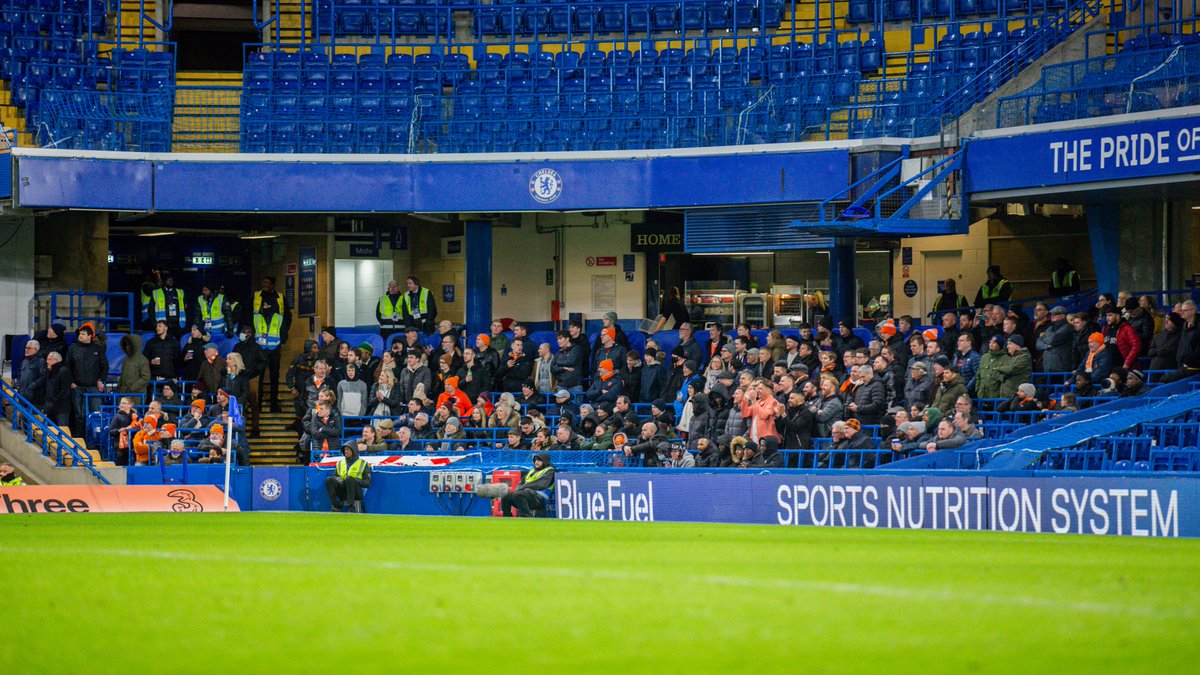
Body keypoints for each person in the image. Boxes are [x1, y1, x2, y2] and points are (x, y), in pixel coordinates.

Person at [66, 323, 108, 436]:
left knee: (96, 414)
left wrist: (100, 380)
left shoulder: (98, 349)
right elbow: (67, 367)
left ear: (90, 336)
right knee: (79, 415)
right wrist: (71, 382)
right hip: (78, 387)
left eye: (83, 334)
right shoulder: (73, 349)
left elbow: (104, 366)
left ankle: (96, 439)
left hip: (94, 387)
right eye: (80, 334)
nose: (80, 336)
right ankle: (80, 439)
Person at [498, 452, 556, 517]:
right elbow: (521, 482)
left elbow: (542, 485)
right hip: (527, 494)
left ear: (545, 461)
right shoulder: (532, 470)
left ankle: (526, 516)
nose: (536, 462)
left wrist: (524, 487)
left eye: (539, 460)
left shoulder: (550, 471)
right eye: (535, 460)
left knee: (519, 495)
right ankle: (507, 517)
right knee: (506, 496)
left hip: (540, 498)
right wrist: (519, 489)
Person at [253, 296, 285, 413]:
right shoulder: (256, 317)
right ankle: (258, 405)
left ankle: (274, 405)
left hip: (274, 352)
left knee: (274, 379)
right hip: (260, 352)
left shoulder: (279, 318)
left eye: (267, 305)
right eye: (264, 305)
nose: (265, 307)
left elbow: (284, 334)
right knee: (259, 380)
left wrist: (279, 346)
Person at [327, 442, 373, 513]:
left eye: (348, 449)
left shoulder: (363, 463)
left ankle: (351, 506)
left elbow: (367, 483)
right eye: (344, 450)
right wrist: (339, 479)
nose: (345, 451)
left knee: (349, 479)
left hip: (357, 492)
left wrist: (354, 480)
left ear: (354, 450)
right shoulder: (339, 463)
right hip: (343, 490)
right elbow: (334, 476)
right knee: (329, 480)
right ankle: (335, 505)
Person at [1037, 305, 1075, 373]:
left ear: (1063, 316)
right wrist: (1047, 346)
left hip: (1061, 367)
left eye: (1056, 314)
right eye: (1051, 314)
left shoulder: (1067, 327)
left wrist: (1043, 336)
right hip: (1048, 366)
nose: (1052, 316)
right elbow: (1038, 343)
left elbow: (1053, 341)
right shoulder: (1050, 328)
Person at [996, 335, 1032, 399]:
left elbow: (1012, 369)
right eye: (1007, 344)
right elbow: (1000, 375)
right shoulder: (1011, 358)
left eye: (1010, 344)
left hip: (1016, 395)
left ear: (1017, 345)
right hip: (1005, 394)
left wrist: (998, 368)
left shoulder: (1025, 357)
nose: (1007, 346)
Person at [42, 351, 72, 426]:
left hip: (61, 409)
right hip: (50, 408)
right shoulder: (49, 371)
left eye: (50, 359)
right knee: (50, 430)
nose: (47, 361)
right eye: (47, 359)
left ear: (57, 360)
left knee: (62, 429)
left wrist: (54, 400)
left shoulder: (63, 371)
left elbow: (65, 390)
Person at [17, 340, 47, 407]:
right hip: (22, 395)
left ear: (36, 350)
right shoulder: (24, 361)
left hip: (34, 396)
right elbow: (19, 375)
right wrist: (18, 384)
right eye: (26, 348)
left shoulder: (41, 361)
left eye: (29, 348)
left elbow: (43, 377)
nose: (26, 350)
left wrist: (32, 385)